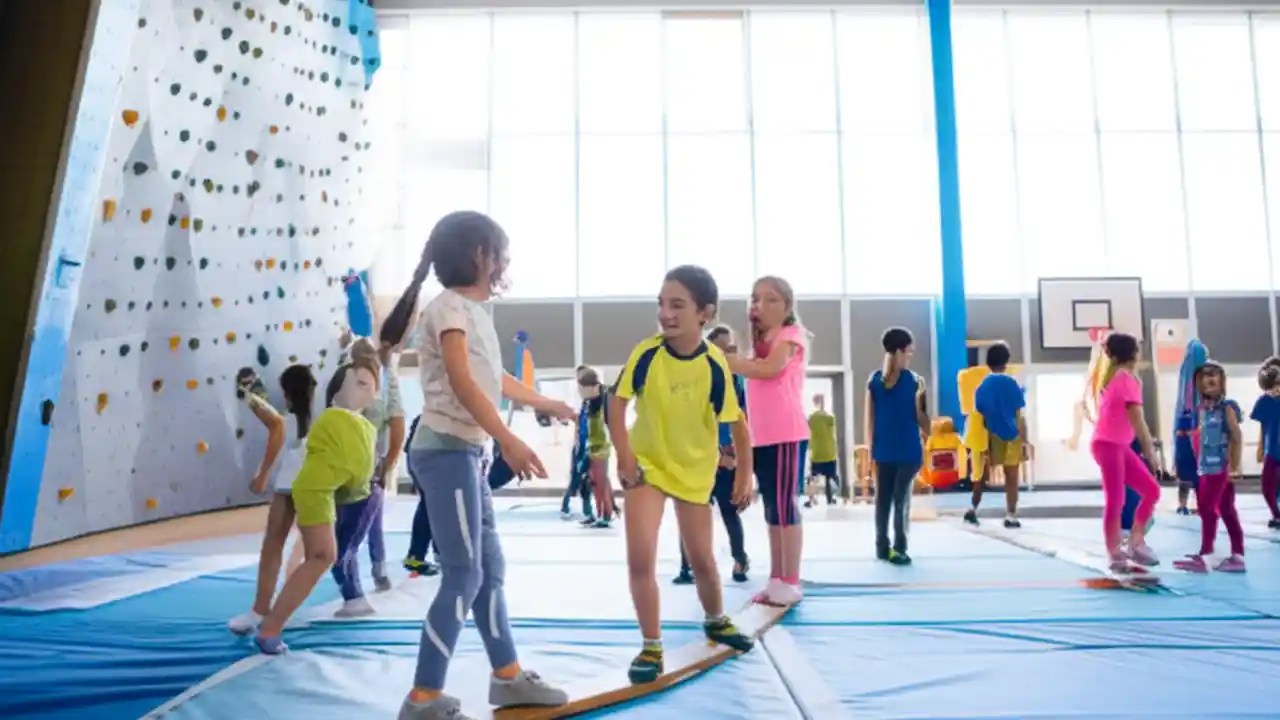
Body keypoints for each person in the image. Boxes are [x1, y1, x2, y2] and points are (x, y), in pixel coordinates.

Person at [382, 211, 577, 720]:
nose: (506, 260)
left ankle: (507, 677)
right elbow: (464, 383)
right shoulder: (448, 308)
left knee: (490, 571)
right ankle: (423, 697)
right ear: (480, 256)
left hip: (464, 452)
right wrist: (508, 439)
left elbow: (495, 381)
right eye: (501, 250)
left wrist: (546, 403)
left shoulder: (474, 312)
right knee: (464, 574)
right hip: (445, 451)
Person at [609, 265, 755, 685]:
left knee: (704, 560)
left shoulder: (714, 364)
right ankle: (651, 645)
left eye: (677, 305)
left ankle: (715, 619)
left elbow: (737, 422)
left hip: (694, 472)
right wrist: (623, 455)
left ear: (704, 313)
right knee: (641, 557)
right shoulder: (646, 353)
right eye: (661, 304)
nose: (665, 313)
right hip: (649, 467)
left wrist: (745, 475)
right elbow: (616, 404)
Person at [255, 361, 381, 653]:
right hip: (314, 491)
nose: (365, 391)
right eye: (358, 383)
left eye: (370, 386)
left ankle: (270, 625)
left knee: (321, 556)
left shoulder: (361, 426)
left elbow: (357, 468)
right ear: (338, 389)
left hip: (327, 492)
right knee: (321, 555)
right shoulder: (334, 419)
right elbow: (350, 464)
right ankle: (269, 626)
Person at [725, 276, 809, 606]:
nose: (760, 305)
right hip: (763, 438)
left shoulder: (790, 337)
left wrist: (732, 363)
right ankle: (776, 578)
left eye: (771, 299)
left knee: (786, 507)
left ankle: (791, 579)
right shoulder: (756, 346)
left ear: (787, 306)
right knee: (772, 508)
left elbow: (771, 370)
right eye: (756, 298)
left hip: (787, 434)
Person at [227, 364, 314, 635]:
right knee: (310, 551)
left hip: (294, 483)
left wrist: (262, 474)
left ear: (287, 395)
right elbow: (276, 421)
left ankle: (264, 610)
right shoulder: (308, 419)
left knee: (278, 546)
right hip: (310, 482)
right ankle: (267, 610)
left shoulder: (289, 423)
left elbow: (275, 424)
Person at [674, 325, 750, 585]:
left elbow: (743, 421)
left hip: (727, 458)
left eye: (731, 348)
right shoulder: (696, 377)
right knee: (692, 512)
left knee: (730, 512)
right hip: (699, 456)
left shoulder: (737, 380)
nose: (728, 353)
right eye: (722, 348)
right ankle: (687, 566)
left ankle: (740, 559)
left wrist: (739, 461)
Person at [1089, 332, 1160, 573]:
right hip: (1108, 445)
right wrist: (1151, 454)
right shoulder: (1124, 379)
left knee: (1151, 489)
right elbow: (1138, 422)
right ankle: (1114, 551)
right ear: (1134, 353)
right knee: (1116, 498)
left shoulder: (1115, 376)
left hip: (1115, 444)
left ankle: (1135, 541)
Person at [1174, 362, 1246, 573]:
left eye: (1214, 376)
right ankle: (1238, 555)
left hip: (1220, 467)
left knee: (1207, 510)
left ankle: (1206, 555)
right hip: (1206, 468)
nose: (1210, 380)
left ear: (1222, 382)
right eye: (1205, 377)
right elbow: (1203, 435)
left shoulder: (1227, 407)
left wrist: (1234, 465)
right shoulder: (1202, 410)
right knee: (1226, 510)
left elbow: (1236, 435)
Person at [865, 327, 929, 566]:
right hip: (905, 451)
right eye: (909, 352)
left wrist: (872, 450)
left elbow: (869, 420)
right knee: (900, 500)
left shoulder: (875, 381)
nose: (910, 356)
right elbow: (922, 420)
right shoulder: (913, 381)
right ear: (901, 352)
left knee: (884, 500)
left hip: (887, 451)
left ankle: (883, 547)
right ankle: (899, 548)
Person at [966, 342, 1032, 529]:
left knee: (980, 476)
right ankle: (1010, 515)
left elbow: (980, 413)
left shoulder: (982, 386)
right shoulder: (1012, 384)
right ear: (1006, 362)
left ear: (988, 363)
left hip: (989, 435)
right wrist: (1025, 441)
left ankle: (973, 509)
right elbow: (1019, 415)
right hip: (1011, 435)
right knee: (1011, 476)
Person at [578, 367, 616, 528]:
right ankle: (597, 513)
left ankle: (606, 515)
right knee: (593, 484)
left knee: (601, 484)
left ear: (593, 386)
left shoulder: (604, 402)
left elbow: (610, 427)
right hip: (590, 448)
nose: (581, 392)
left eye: (583, 388)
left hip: (601, 449)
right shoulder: (588, 404)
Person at [403, 414, 439, 576]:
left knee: (430, 506)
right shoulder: (437, 417)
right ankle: (418, 556)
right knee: (431, 507)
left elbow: (409, 450)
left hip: (419, 462)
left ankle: (419, 555)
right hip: (429, 465)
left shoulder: (425, 417)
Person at [1252, 359, 1280, 529]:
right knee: (1267, 486)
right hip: (1272, 451)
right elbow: (1264, 427)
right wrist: (1260, 447)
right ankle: (1276, 514)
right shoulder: (1264, 401)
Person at [808, 394, 840, 506]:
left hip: (817, 452)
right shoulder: (829, 417)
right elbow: (831, 423)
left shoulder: (811, 418)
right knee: (830, 476)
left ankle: (811, 499)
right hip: (829, 452)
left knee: (812, 476)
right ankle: (831, 498)